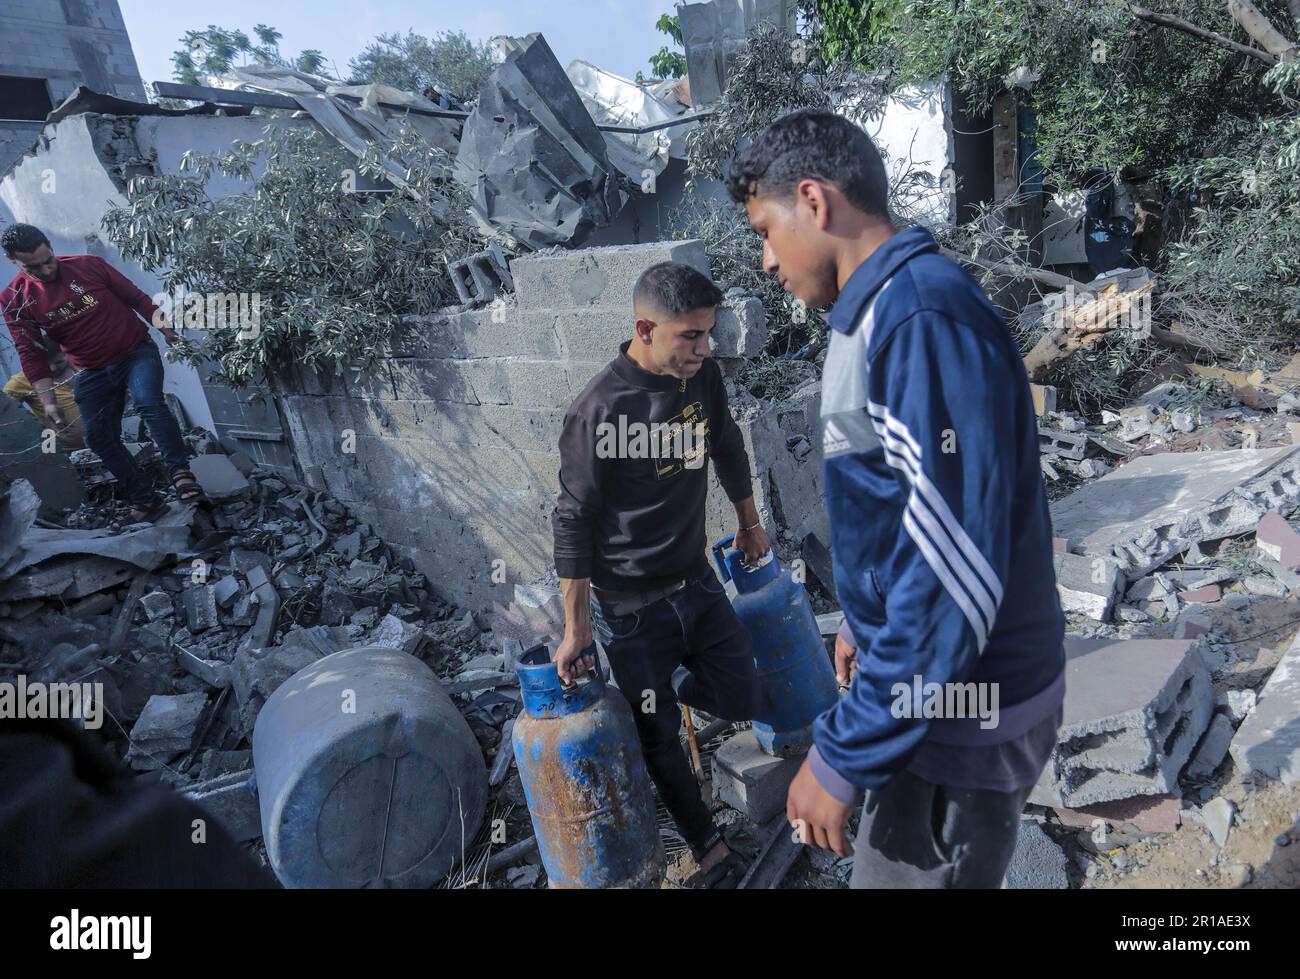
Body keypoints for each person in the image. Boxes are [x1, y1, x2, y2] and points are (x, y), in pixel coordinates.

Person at [727, 109, 1066, 888]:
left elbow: (955, 569)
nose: (767, 261)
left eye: (765, 230)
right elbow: (907, 506)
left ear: (814, 201)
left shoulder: (919, 315)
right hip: (931, 693)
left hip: (963, 713)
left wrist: (844, 753)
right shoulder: (869, 315)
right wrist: (865, 616)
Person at [551, 261, 767, 887]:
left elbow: (726, 444)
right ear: (645, 328)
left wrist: (750, 521)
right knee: (660, 739)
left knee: (741, 690)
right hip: (631, 611)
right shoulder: (599, 411)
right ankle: (708, 846)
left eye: (709, 334)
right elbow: (572, 521)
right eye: (690, 336)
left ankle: (673, 683)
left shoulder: (704, 379)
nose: (705, 349)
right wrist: (576, 628)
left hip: (696, 583)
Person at [1, 223, 204, 521]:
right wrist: (48, 403)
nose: (46, 270)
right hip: (91, 370)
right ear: (13, 262)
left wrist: (166, 330)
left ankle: (181, 473)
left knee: (149, 402)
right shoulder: (15, 299)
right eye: (34, 267)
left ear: (51, 248)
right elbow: (30, 353)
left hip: (136, 352)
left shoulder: (88, 266)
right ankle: (145, 499)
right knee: (98, 437)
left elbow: (138, 299)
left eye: (48, 260)